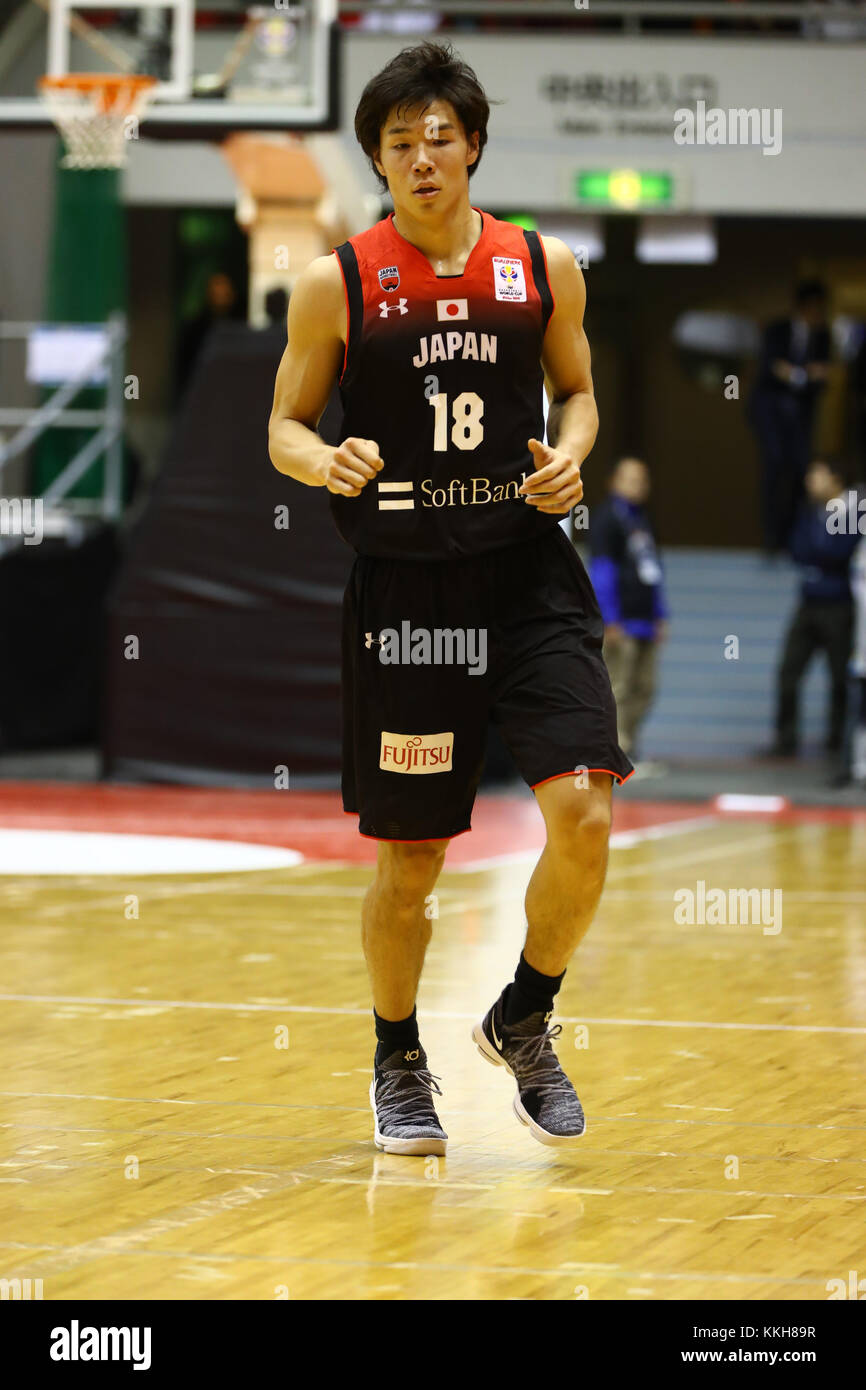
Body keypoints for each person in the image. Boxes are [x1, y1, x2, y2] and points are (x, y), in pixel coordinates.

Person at [268, 41, 633, 1155]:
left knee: (585, 813)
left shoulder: (542, 263)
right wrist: (315, 459)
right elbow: (282, 426)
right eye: (397, 142)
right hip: (410, 591)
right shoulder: (338, 280)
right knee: (413, 860)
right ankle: (395, 1056)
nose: (420, 157)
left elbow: (577, 395)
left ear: (471, 145)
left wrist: (573, 454)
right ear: (377, 160)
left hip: (526, 576)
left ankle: (522, 1015)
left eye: (439, 137)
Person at [771, 459, 859, 758]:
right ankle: (785, 740)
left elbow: (840, 551)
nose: (810, 482)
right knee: (788, 671)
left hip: (839, 605)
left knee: (839, 677)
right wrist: (819, 555)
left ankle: (837, 740)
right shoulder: (809, 511)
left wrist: (819, 556)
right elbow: (797, 549)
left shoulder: (854, 509)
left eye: (817, 476)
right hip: (808, 602)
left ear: (835, 478)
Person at [589, 457, 669, 767]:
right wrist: (609, 618)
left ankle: (630, 747)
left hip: (646, 619)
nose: (638, 485)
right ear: (614, 481)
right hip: (621, 622)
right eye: (630, 478)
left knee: (645, 688)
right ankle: (615, 753)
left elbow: (653, 569)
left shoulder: (642, 520)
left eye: (642, 479)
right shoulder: (607, 518)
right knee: (618, 688)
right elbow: (603, 570)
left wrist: (661, 614)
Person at [747, 280, 831, 554]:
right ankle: (771, 540)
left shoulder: (823, 336)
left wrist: (795, 374)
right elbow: (772, 368)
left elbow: (824, 376)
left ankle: (791, 539)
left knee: (799, 472)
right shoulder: (778, 329)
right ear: (806, 306)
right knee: (774, 467)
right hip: (771, 411)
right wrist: (804, 374)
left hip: (801, 415)